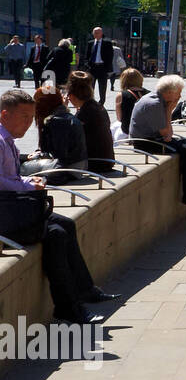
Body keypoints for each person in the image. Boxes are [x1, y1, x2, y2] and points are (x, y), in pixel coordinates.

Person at [0, 89, 117, 324]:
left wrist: (28, 182)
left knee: (65, 223)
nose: (29, 124)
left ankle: (85, 290)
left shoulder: (7, 140)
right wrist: (27, 187)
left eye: (31, 117)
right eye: (24, 117)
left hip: (13, 208)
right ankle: (69, 308)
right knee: (56, 234)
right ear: (4, 115)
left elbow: (11, 178)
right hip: (7, 215)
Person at [129, 75, 186, 206]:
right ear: (169, 92)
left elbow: (168, 134)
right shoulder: (155, 104)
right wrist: (169, 110)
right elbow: (167, 134)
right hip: (146, 142)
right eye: (178, 93)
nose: (180, 96)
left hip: (155, 138)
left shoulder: (159, 99)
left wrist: (169, 109)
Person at [67, 70, 114, 174]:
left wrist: (63, 110)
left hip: (94, 164)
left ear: (72, 95)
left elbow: (68, 140)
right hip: (107, 160)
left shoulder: (84, 113)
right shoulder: (98, 106)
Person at [116, 67, 148, 133]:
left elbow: (119, 118)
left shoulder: (121, 95)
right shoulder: (150, 93)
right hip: (148, 131)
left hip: (129, 131)